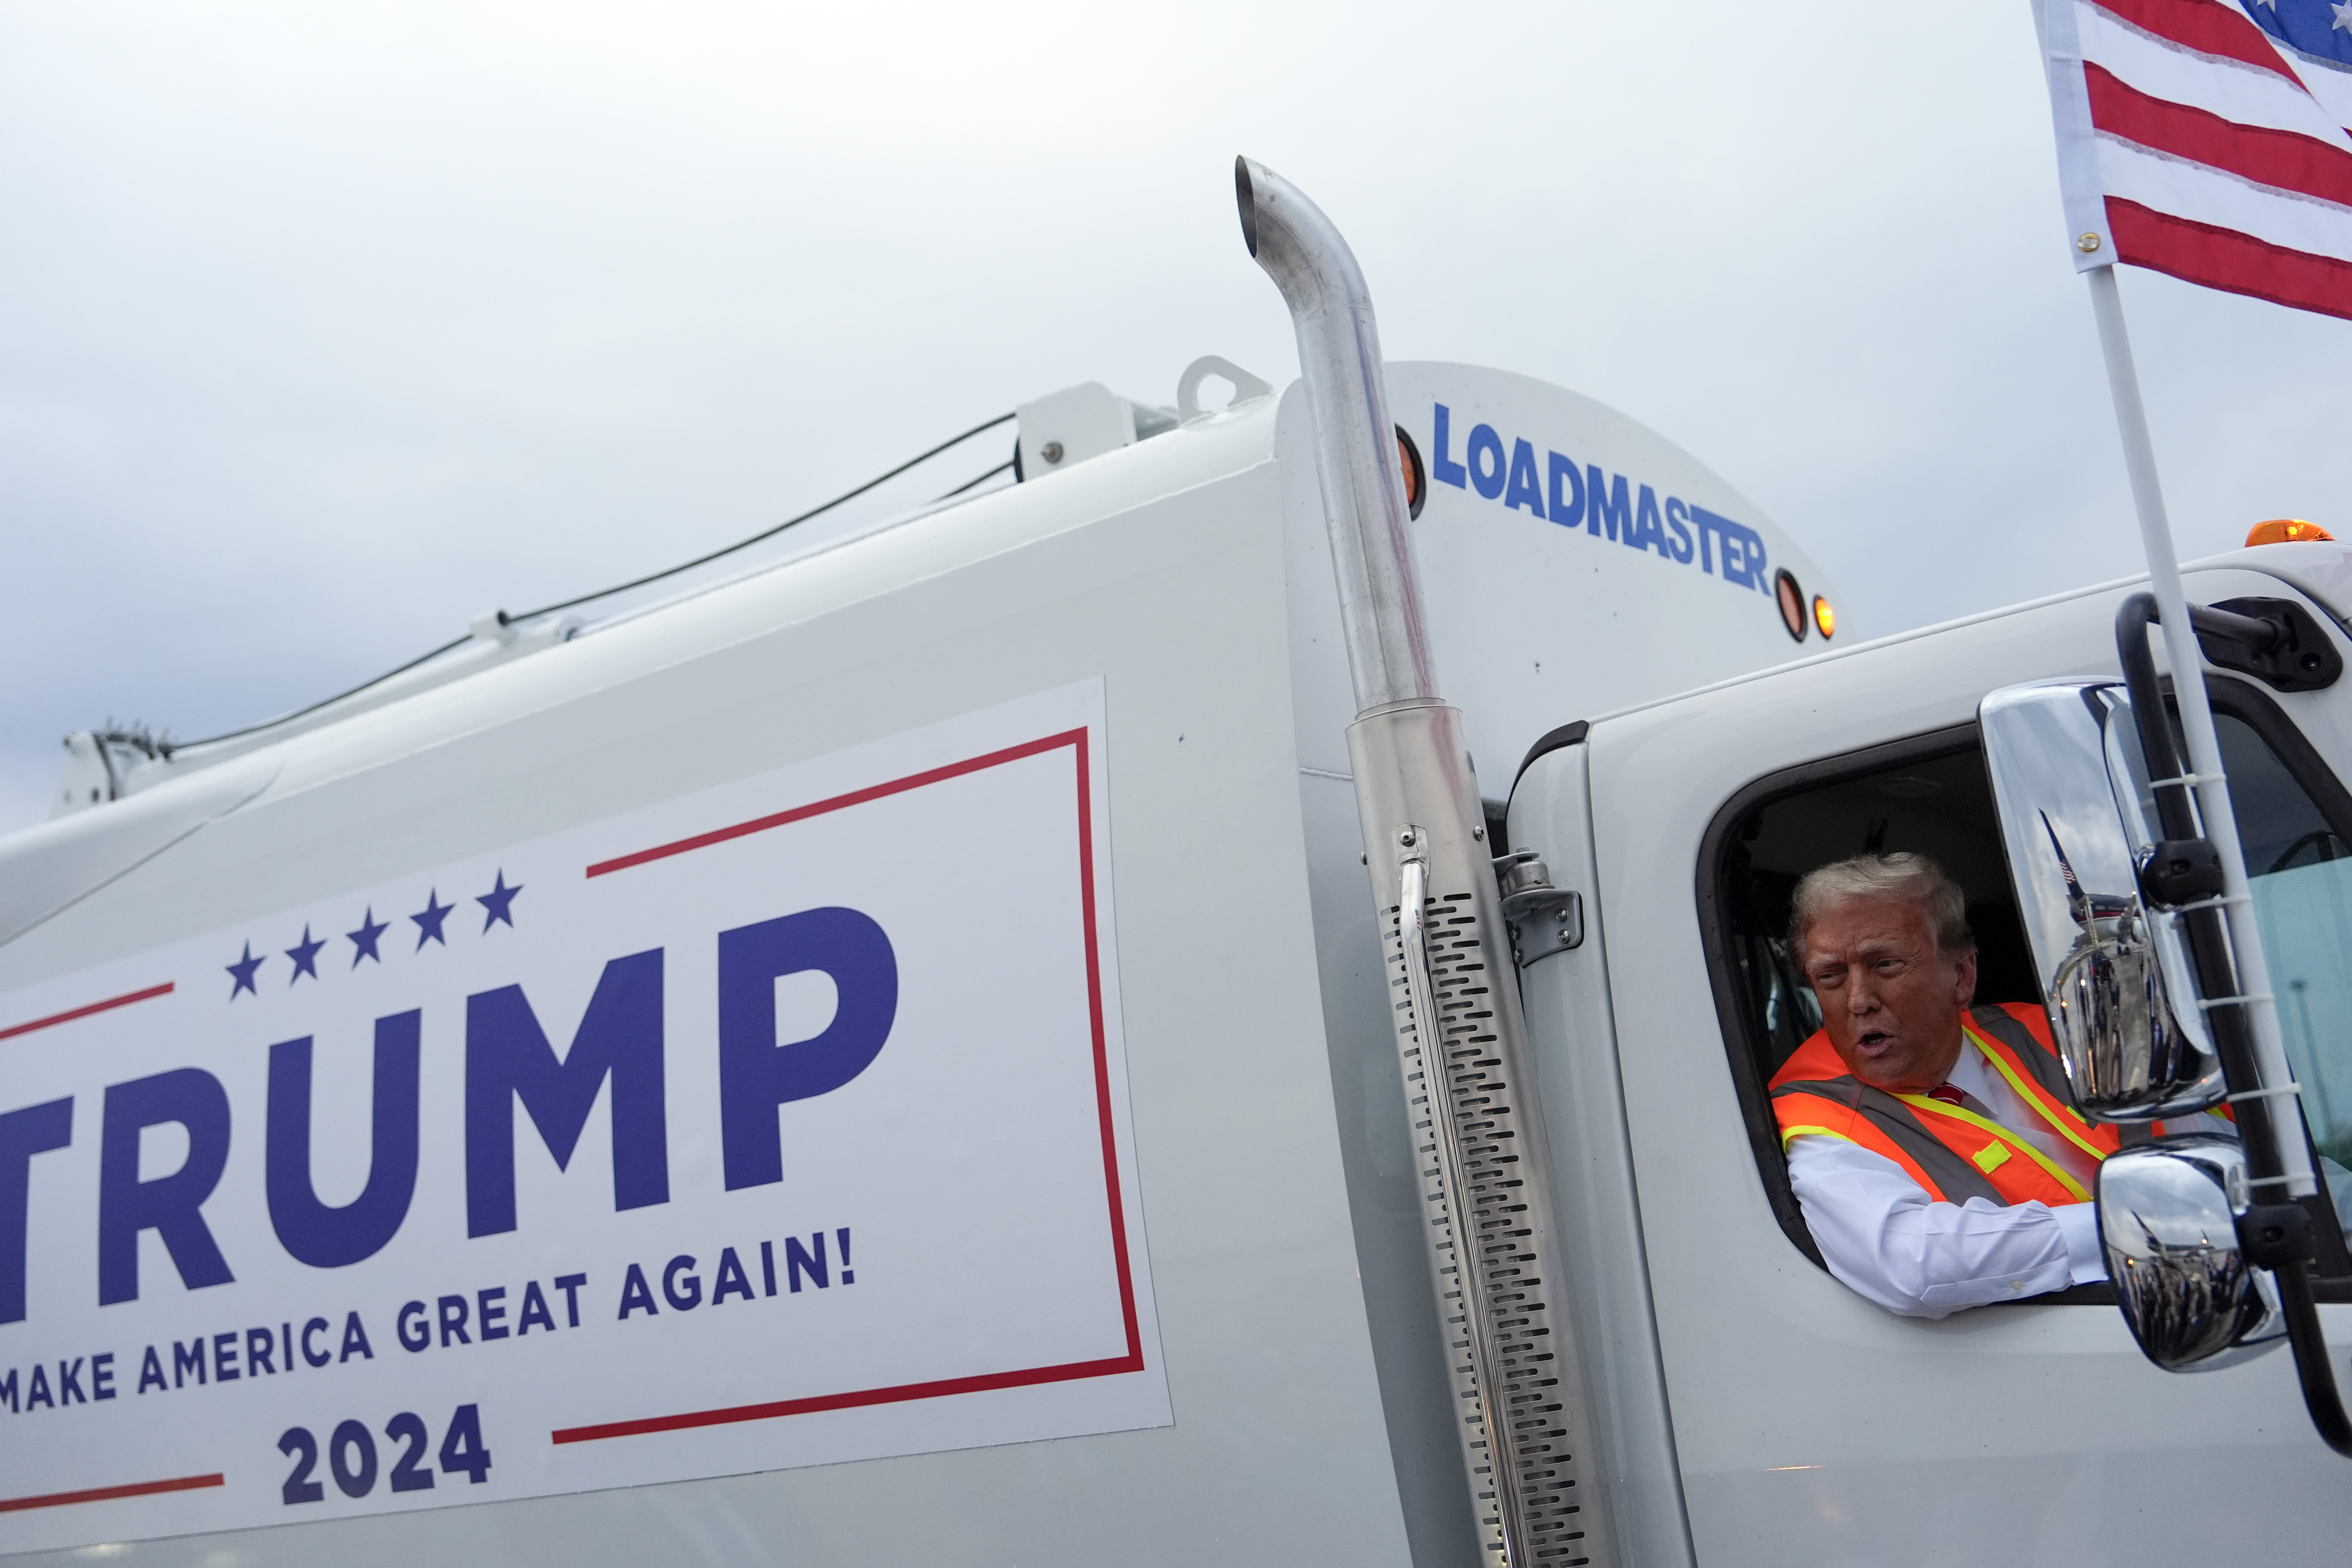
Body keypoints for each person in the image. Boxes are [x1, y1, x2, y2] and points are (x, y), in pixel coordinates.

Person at [1768, 852, 2227, 1318]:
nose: (1859, 1000)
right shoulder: (1811, 1115)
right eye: (1830, 976)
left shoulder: (2064, 1034)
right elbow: (1914, 1265)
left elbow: (2222, 1155)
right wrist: (2145, 1224)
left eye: (1885, 965)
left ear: (1962, 976)